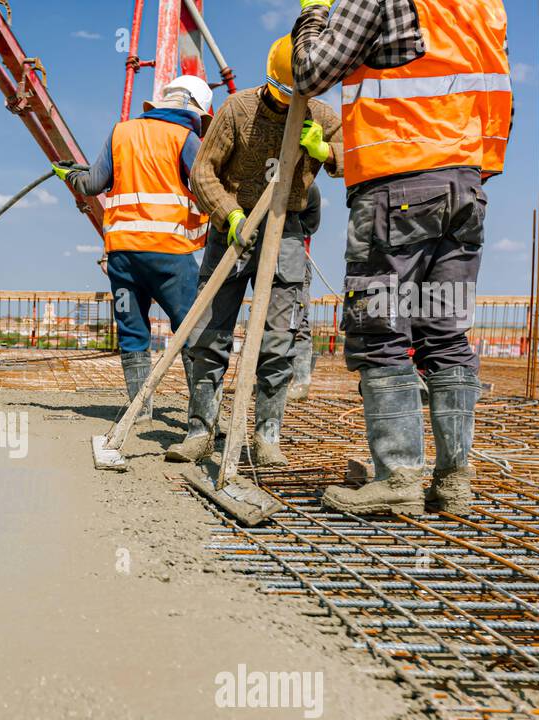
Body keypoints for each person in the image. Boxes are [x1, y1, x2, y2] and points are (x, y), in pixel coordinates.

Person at [291, 0, 510, 516]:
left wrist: (313, 17)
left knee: (380, 328)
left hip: (400, 188)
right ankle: (454, 481)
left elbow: (310, 73)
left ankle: (398, 477)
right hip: (465, 188)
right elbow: (500, 103)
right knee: (446, 333)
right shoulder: (483, 7)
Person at [170, 34, 343, 466]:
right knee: (208, 335)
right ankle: (200, 429)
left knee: (278, 342)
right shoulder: (238, 110)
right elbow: (203, 172)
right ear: (270, 82)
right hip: (232, 229)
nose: (289, 103)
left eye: (297, 95)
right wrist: (228, 213)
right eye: (284, 94)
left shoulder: (321, 115)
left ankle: (267, 435)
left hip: (284, 231)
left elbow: (356, 160)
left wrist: (326, 151)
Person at [58, 74, 214, 426]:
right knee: (191, 331)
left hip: (123, 255)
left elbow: (92, 183)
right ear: (194, 110)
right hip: (170, 254)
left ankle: (139, 412)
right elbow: (208, 185)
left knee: (132, 331)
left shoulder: (121, 132)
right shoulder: (185, 138)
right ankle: (203, 419)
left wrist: (69, 175)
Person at [288, 182, 324, 402]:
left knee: (298, 320)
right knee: (271, 321)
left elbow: (311, 225)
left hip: (298, 261)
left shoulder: (308, 188)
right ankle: (275, 378)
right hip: (269, 261)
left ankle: (301, 381)